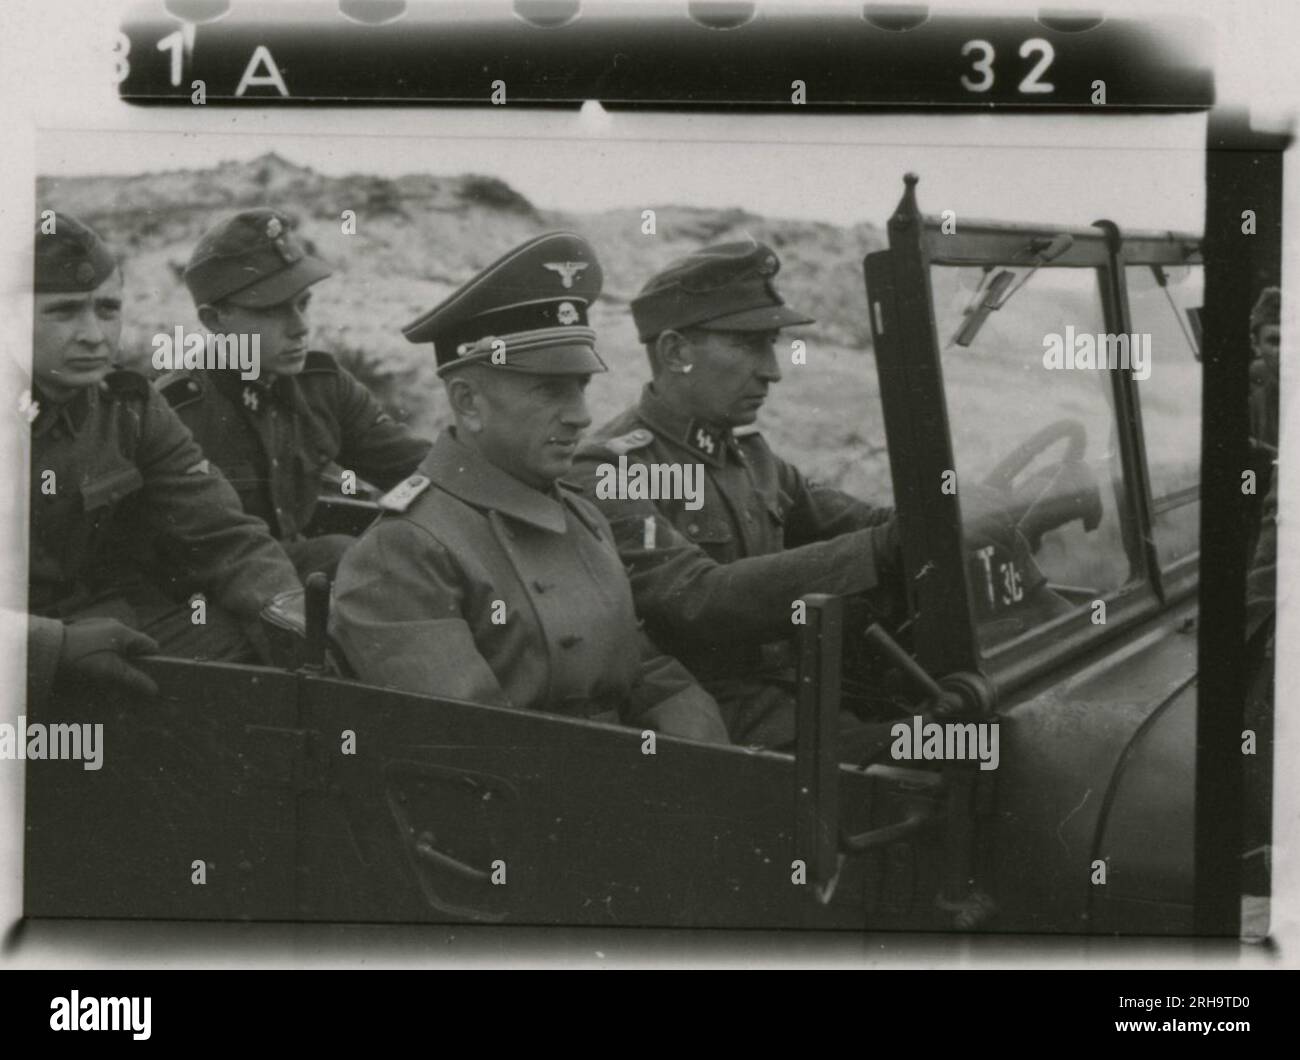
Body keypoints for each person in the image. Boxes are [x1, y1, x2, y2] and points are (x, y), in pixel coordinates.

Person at [330, 232, 728, 743]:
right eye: (549, 390)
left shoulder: (581, 517)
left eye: (581, 387)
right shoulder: (403, 552)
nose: (582, 417)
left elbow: (653, 679)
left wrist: (706, 767)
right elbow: (480, 750)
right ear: (469, 402)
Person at [569, 239, 903, 750]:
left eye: (771, 344)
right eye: (749, 345)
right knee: (944, 757)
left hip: (796, 695)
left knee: (969, 731)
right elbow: (700, 599)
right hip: (715, 727)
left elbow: (861, 522)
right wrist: (882, 547)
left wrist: (951, 518)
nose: (772, 370)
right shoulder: (614, 468)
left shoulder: (747, 452)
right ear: (676, 351)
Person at [24, 212, 302, 703]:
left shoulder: (128, 407)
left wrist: (290, 612)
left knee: (265, 656)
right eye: (65, 311)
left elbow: (222, 534)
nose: (94, 334)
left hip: (98, 628)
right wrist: (50, 646)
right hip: (28, 650)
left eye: (107, 309)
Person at [161, 208, 431, 579]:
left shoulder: (322, 384)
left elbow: (413, 467)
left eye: (303, 304)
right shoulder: (175, 413)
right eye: (273, 311)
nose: (300, 328)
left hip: (290, 578)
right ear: (214, 320)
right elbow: (187, 556)